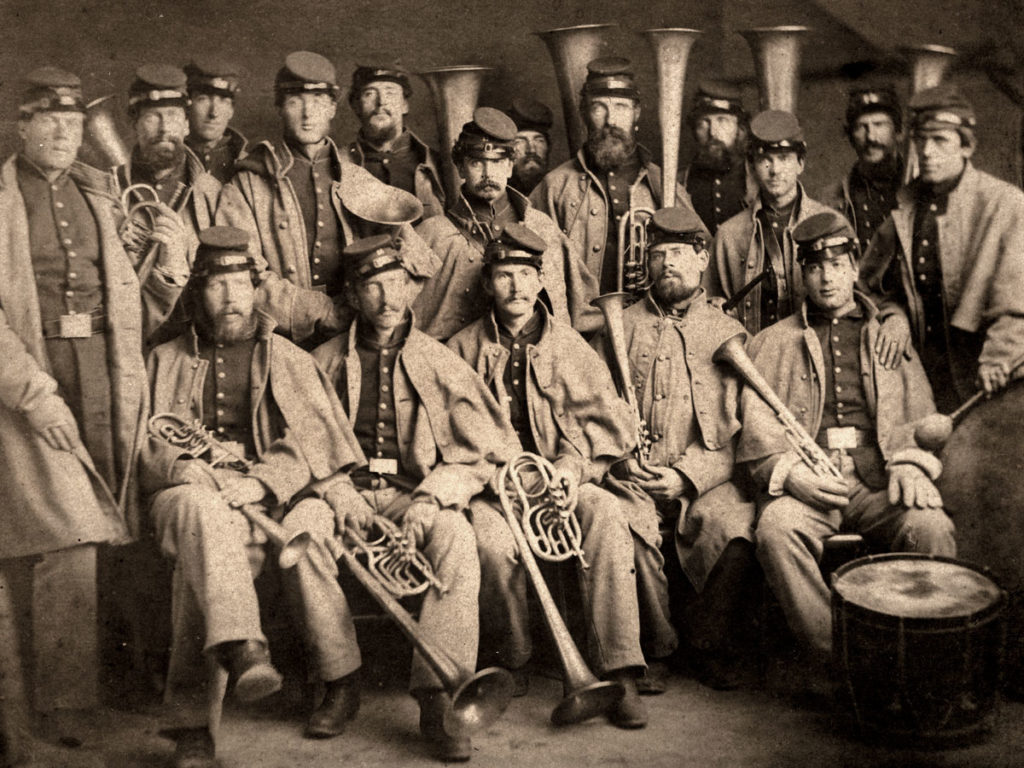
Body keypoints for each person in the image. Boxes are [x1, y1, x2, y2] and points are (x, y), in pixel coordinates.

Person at [141, 227, 365, 767]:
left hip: (275, 494)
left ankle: (339, 678)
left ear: (257, 290)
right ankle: (240, 658)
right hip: (191, 493)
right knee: (205, 523)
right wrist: (186, 467)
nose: (232, 299)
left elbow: (315, 440)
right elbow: (141, 441)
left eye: (242, 285)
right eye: (218, 286)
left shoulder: (287, 356)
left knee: (307, 527)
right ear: (197, 291)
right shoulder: (164, 357)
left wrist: (262, 481)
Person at [448, 223, 660, 729]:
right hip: (490, 488)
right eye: (504, 275)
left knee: (607, 514)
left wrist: (571, 467)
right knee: (492, 544)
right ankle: (515, 654)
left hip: (560, 479)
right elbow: (449, 433)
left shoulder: (570, 346)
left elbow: (609, 424)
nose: (517, 287)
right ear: (487, 284)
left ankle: (619, 668)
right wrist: (497, 476)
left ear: (542, 281)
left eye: (526, 274)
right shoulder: (459, 349)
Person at [312, 234, 514, 762]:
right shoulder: (321, 361)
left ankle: (437, 695)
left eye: (396, 283)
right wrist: (335, 492)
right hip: (340, 491)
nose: (387, 298)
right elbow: (295, 443)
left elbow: (483, 451)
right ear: (352, 297)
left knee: (458, 539)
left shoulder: (441, 362)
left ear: (410, 288)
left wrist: (432, 499)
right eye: (372, 286)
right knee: (303, 535)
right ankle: (340, 682)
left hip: (411, 494)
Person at [738, 211, 955, 667]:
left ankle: (921, 661)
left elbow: (924, 417)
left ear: (855, 268)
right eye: (815, 267)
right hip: (810, 486)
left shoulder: (888, 335)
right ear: (803, 274)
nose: (826, 278)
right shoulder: (773, 342)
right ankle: (841, 659)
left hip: (878, 482)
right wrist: (789, 475)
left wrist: (912, 463)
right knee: (776, 531)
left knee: (931, 527)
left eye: (837, 266)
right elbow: (756, 428)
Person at [0, 65, 149, 714]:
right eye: (49, 122)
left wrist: (162, 262)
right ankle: (65, 707)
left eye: (74, 123)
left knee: (122, 524)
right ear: (22, 126)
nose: (64, 134)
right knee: (70, 534)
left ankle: (126, 681)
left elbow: (138, 300)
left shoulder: (103, 193)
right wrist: (33, 394)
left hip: (109, 378)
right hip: (31, 388)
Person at [595, 207, 758, 689]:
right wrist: (624, 463)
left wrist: (687, 476)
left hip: (702, 478)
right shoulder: (618, 323)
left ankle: (703, 642)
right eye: (659, 254)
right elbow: (595, 410)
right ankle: (656, 647)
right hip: (632, 475)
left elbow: (740, 431)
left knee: (738, 528)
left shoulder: (726, 332)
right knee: (628, 529)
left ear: (703, 259)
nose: (668, 264)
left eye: (680, 254)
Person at [228, 51, 437, 347]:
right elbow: (244, 275)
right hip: (278, 338)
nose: (307, 113)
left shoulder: (355, 177)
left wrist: (373, 304)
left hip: (356, 333)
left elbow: (419, 259)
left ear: (332, 109)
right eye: (295, 101)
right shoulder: (246, 185)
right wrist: (320, 312)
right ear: (279, 107)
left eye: (317, 102)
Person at [859, 84, 1024, 412]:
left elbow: (1015, 301)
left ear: (967, 147)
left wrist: (997, 361)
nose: (927, 152)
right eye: (921, 141)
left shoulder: (1006, 204)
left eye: (940, 141)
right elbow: (868, 285)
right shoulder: (906, 208)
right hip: (922, 374)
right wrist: (895, 316)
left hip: (989, 371)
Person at [413, 107, 597, 339]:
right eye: (477, 163)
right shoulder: (431, 235)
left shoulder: (542, 228)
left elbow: (581, 313)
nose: (488, 173)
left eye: (498, 162)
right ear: (460, 168)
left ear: (510, 167)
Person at [530, 57, 700, 301]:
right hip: (579, 330)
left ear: (636, 113)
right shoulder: (555, 186)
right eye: (600, 107)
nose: (611, 120)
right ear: (584, 113)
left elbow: (701, 254)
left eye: (621, 107)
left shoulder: (663, 183)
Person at [707, 110, 841, 336]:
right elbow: (708, 305)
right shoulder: (728, 235)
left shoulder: (830, 224)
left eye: (784, 159)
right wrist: (715, 309)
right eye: (765, 160)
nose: (775, 170)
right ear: (751, 167)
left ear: (800, 163)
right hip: (750, 358)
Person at [116, 64, 224, 342]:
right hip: (133, 342)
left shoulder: (214, 193)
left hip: (199, 345)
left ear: (187, 125)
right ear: (134, 123)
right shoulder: (108, 192)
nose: (165, 129)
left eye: (174, 116)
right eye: (153, 117)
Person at [345, 63, 445, 220]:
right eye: (369, 94)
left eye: (390, 93)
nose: (381, 102)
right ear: (356, 106)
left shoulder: (438, 163)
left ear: (405, 105)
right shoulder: (339, 163)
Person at [822, 86, 904, 256]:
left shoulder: (917, 187)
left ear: (899, 131)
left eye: (879, 125)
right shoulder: (833, 198)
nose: (871, 137)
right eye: (861, 127)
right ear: (851, 137)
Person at [682, 80, 754, 235]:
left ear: (739, 128)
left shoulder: (758, 179)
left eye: (722, 121)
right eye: (704, 123)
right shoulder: (681, 182)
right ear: (695, 130)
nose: (713, 132)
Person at [184, 56, 248, 184]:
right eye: (203, 99)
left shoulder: (247, 161)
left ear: (231, 110)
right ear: (187, 106)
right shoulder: (169, 159)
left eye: (223, 101)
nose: (214, 113)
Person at [508, 97, 554, 196]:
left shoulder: (560, 187)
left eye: (539, 140)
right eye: (520, 141)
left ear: (548, 146)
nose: (531, 150)